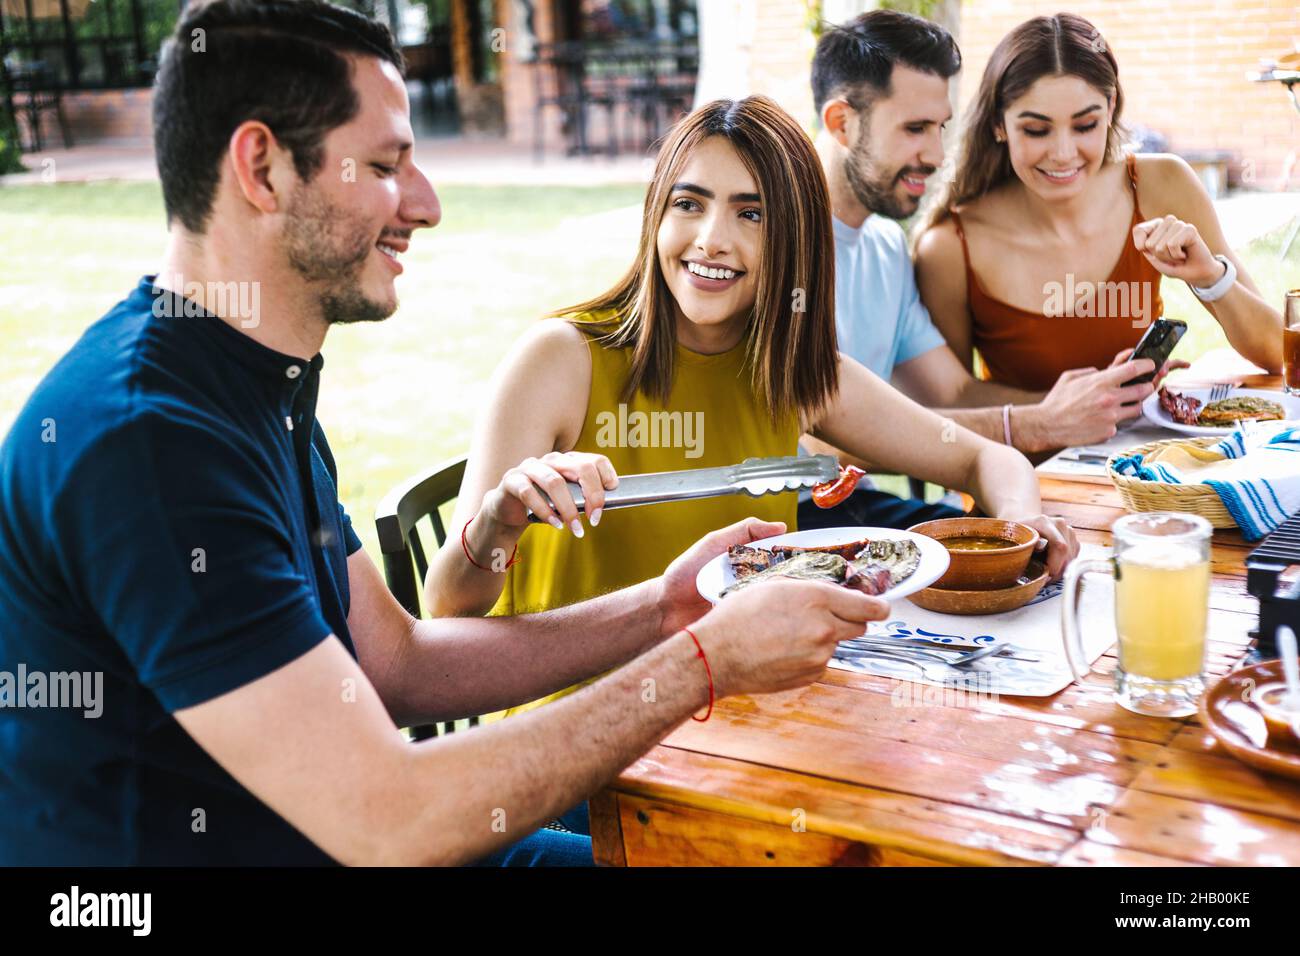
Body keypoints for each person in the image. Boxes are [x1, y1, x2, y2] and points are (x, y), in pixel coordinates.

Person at [0, 0, 892, 867]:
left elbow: (395, 662)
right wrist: (703, 662)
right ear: (262, 168)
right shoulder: (152, 443)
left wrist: (665, 608)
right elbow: (389, 823)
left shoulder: (249, 381)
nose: (425, 204)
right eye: (386, 166)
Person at [421, 94, 1081, 717]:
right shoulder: (559, 359)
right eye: (689, 203)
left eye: (751, 212)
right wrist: (495, 526)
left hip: (737, 712)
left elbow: (983, 460)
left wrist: (1025, 521)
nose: (710, 238)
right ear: (657, 215)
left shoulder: (790, 373)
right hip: (580, 741)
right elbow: (446, 614)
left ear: (794, 239)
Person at [803, 9, 1179, 532]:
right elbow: (824, 439)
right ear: (842, 124)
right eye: (915, 129)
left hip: (847, 506)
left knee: (1085, 546)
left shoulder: (887, 247)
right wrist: (1038, 422)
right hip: (773, 515)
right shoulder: (772, 245)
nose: (935, 156)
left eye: (940, 129)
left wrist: (1098, 403)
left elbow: (952, 392)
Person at [914, 12, 1283, 394]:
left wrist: (1211, 278)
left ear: (1110, 108)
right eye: (1036, 130)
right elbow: (950, 402)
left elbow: (1278, 353)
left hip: (1146, 452)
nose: (1062, 152)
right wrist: (1060, 413)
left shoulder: (1159, 184)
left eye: (1085, 125)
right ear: (997, 124)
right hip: (1028, 456)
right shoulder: (948, 248)